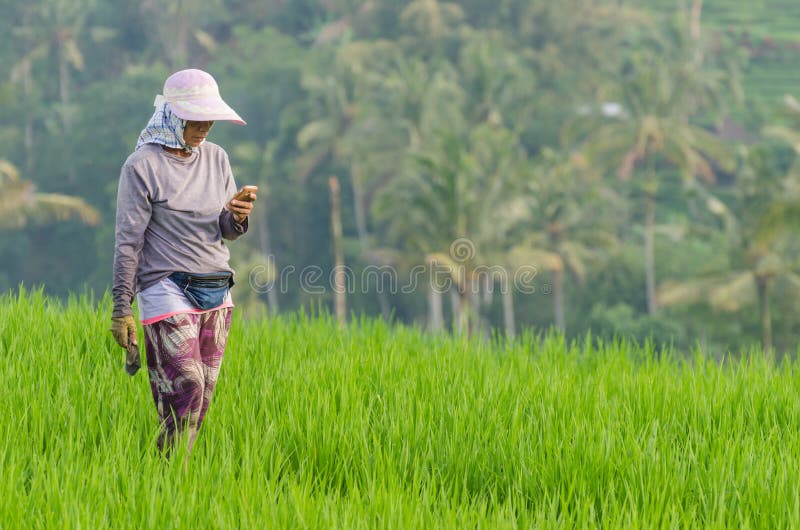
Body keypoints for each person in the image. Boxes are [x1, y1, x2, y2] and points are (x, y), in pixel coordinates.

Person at [110, 68, 257, 454]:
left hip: (216, 287)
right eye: (196, 116)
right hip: (165, 287)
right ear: (172, 115)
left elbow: (224, 227)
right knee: (186, 384)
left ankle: (175, 477)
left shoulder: (217, 158)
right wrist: (121, 308)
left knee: (202, 397)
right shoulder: (141, 166)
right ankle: (165, 472)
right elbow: (128, 242)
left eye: (210, 117)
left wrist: (238, 215)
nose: (205, 125)